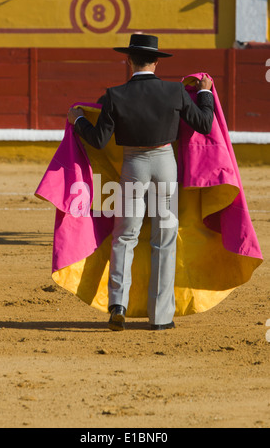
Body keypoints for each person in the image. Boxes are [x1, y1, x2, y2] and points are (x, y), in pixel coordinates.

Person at [68, 34, 214, 331]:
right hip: (164, 165)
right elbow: (205, 123)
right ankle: (160, 317)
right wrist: (205, 94)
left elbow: (97, 140)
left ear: (128, 60)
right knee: (165, 236)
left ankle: (117, 303)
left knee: (125, 235)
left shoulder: (115, 95)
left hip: (133, 166)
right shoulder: (175, 92)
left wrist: (78, 120)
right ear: (156, 62)